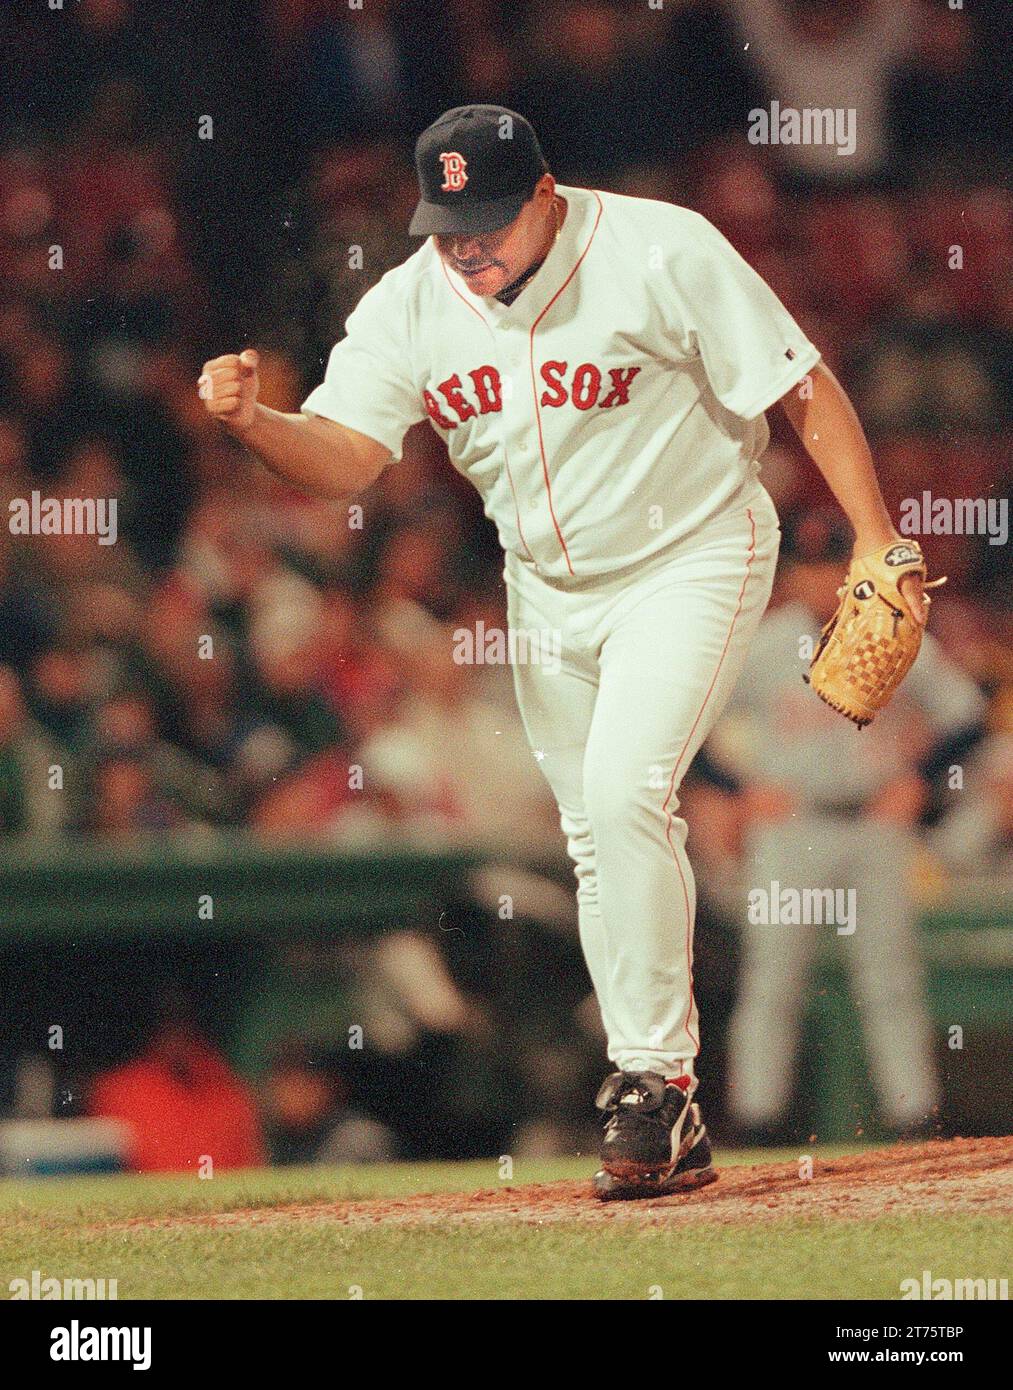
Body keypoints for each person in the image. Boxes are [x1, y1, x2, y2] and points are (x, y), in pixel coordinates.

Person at [199, 104, 929, 1200]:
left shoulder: (659, 248)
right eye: (446, 224)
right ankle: (657, 1096)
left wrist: (872, 531)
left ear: (544, 194)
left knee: (626, 789)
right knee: (590, 830)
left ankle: (655, 1080)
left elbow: (798, 382)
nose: (466, 245)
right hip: (543, 585)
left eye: (487, 218)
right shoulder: (410, 303)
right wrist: (259, 422)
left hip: (692, 553)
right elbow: (347, 457)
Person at [705, 511, 986, 1140]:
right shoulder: (767, 642)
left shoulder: (889, 630)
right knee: (772, 980)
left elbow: (969, 715)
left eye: (831, 564)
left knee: (889, 978)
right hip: (792, 828)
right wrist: (738, 790)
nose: (819, 578)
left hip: (872, 825)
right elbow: (690, 721)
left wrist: (920, 778)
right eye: (806, 567)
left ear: (851, 570)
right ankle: (757, 1122)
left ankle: (914, 1122)